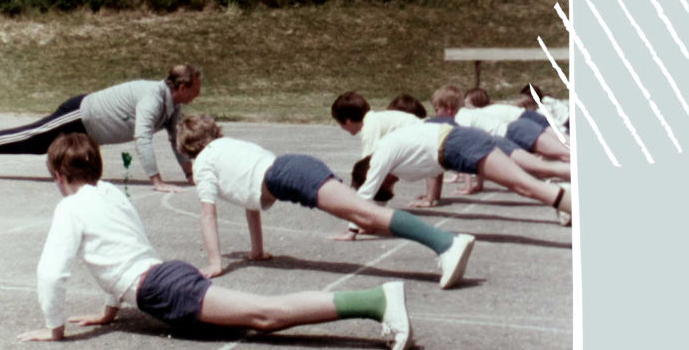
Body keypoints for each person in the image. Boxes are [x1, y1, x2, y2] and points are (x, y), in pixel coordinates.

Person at [16, 133, 416, 350]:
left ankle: (376, 301)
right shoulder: (109, 194)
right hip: (165, 275)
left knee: (266, 316)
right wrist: (108, 312)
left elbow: (52, 273)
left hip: (162, 287)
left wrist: (54, 330)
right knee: (264, 317)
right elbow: (122, 252)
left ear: (56, 173)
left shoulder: (71, 208)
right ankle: (374, 303)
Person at [176, 114, 475, 289]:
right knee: (364, 215)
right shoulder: (229, 145)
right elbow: (251, 200)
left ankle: (447, 243)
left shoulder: (203, 163)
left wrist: (215, 263)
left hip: (290, 176)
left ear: (188, 148)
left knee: (366, 215)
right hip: (294, 168)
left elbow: (207, 215)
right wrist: (256, 251)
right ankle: (445, 243)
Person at [0, 64, 202, 192]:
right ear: (182, 87)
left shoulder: (173, 106)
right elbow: (142, 137)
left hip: (90, 130)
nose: (198, 94)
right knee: (30, 137)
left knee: (37, 146)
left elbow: (176, 139)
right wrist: (157, 181)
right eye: (195, 89)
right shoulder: (152, 97)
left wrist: (189, 173)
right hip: (80, 115)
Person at [346, 122, 573, 220]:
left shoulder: (383, 153)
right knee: (537, 174)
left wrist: (353, 228)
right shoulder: (394, 159)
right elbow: (377, 198)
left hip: (459, 145)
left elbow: (365, 195)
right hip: (459, 148)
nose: (393, 182)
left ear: (371, 171)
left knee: (527, 186)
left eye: (388, 183)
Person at [432, 85, 570, 163]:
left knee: (563, 154)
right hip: (520, 126)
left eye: (437, 109)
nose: (436, 114)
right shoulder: (479, 112)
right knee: (565, 151)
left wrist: (469, 185)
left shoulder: (463, 118)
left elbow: (468, 148)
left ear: (449, 107)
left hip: (516, 131)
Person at [331, 91, 421, 158]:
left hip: (419, 136)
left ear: (348, 121)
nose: (342, 128)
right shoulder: (374, 119)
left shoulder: (369, 126)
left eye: (340, 123)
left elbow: (368, 161)